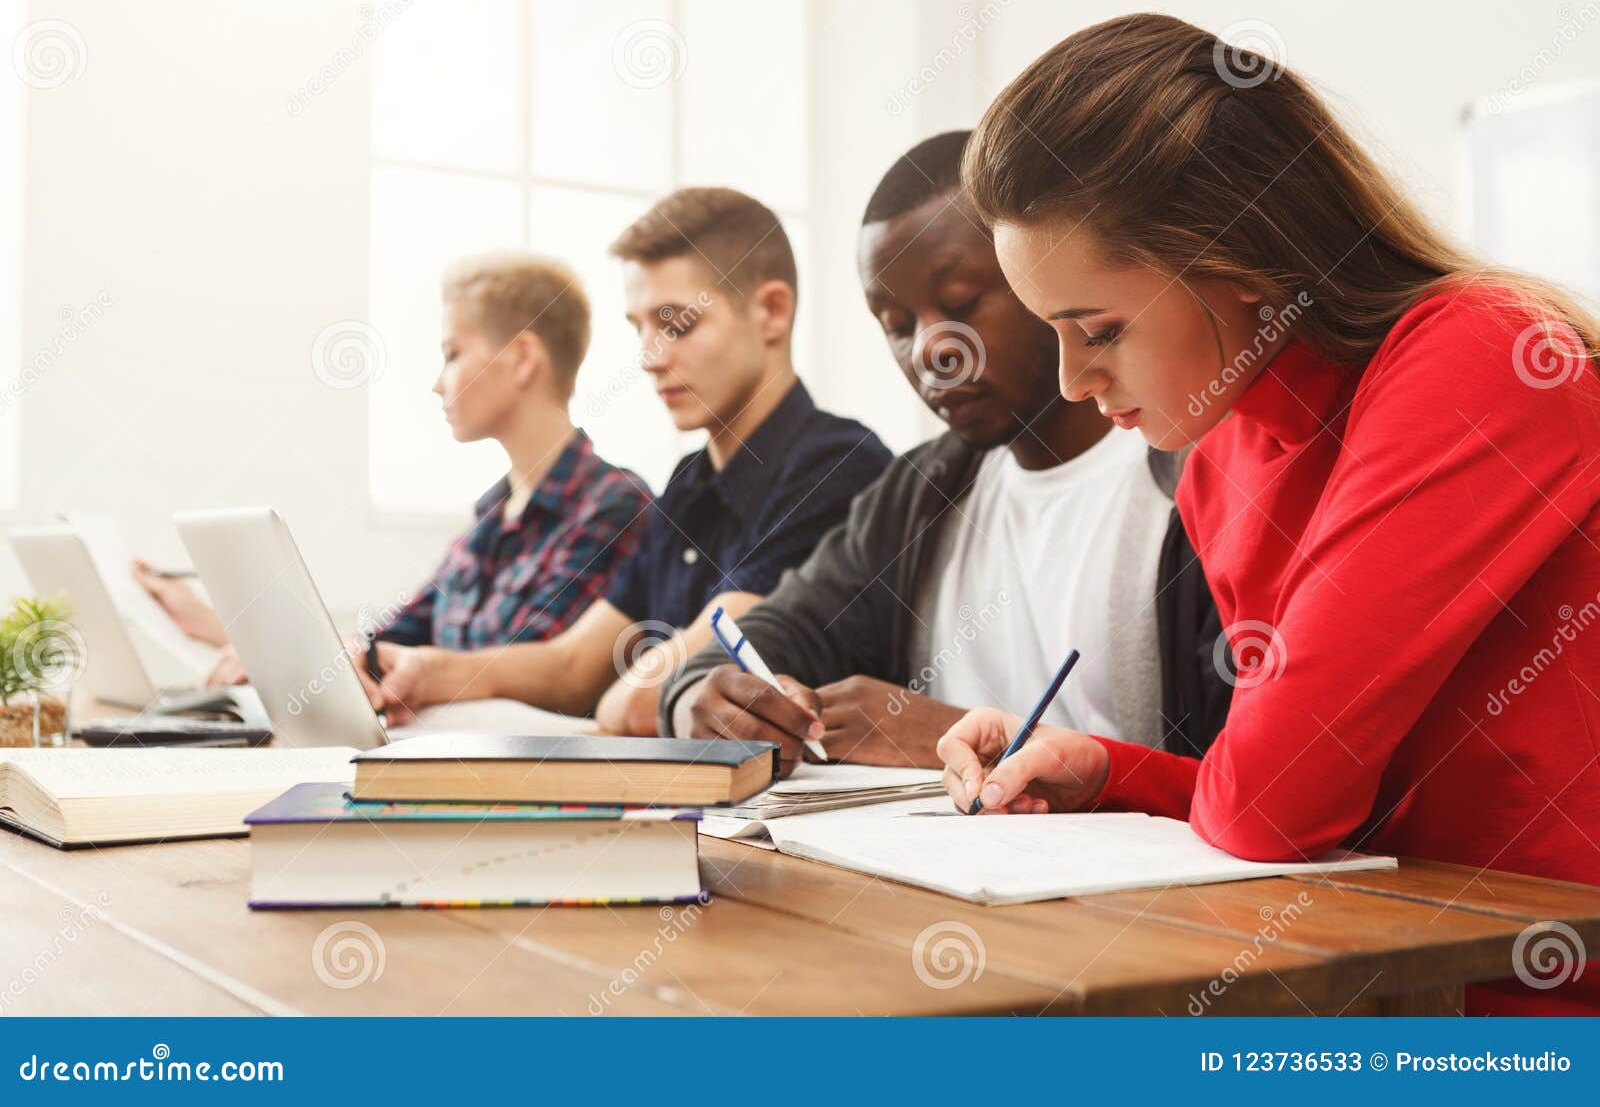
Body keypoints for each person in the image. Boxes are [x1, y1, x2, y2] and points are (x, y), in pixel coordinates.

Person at [935, 12, 1600, 1015]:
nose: (1071, 380)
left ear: (1239, 254)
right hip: (1393, 979)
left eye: (1098, 328)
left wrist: (1229, 787)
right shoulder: (1219, 460)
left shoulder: (1485, 358)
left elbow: (1271, 800)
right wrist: (1109, 769)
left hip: (1539, 1005)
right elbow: (1314, 797)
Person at [664, 132, 1228, 778]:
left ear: (1044, 278)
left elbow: (1253, 784)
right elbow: (769, 635)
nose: (931, 348)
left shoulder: (1197, 472)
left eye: (959, 303)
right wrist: (701, 702)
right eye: (897, 325)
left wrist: (948, 733)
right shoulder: (921, 491)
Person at [355, 187, 893, 731]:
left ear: (772, 311)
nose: (650, 357)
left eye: (676, 324)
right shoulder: (686, 485)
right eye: (640, 328)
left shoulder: (838, 467)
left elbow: (639, 698)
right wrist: (428, 670)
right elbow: (573, 665)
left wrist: (621, 696)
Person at [135, 254, 652, 685]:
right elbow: (384, 645)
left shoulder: (613, 506)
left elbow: (540, 670)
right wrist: (217, 625)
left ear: (521, 357)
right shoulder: (490, 520)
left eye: (452, 354)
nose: (436, 383)